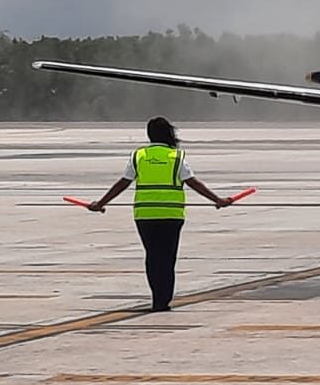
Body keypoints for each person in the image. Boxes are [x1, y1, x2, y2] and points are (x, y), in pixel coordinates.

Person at [83, 117, 235, 311]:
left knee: (153, 256)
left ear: (149, 135)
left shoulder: (139, 156)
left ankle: (157, 297)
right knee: (167, 257)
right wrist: (217, 200)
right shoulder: (176, 157)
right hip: (171, 216)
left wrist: (101, 203)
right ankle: (163, 299)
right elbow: (193, 182)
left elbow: (123, 183)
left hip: (145, 216)